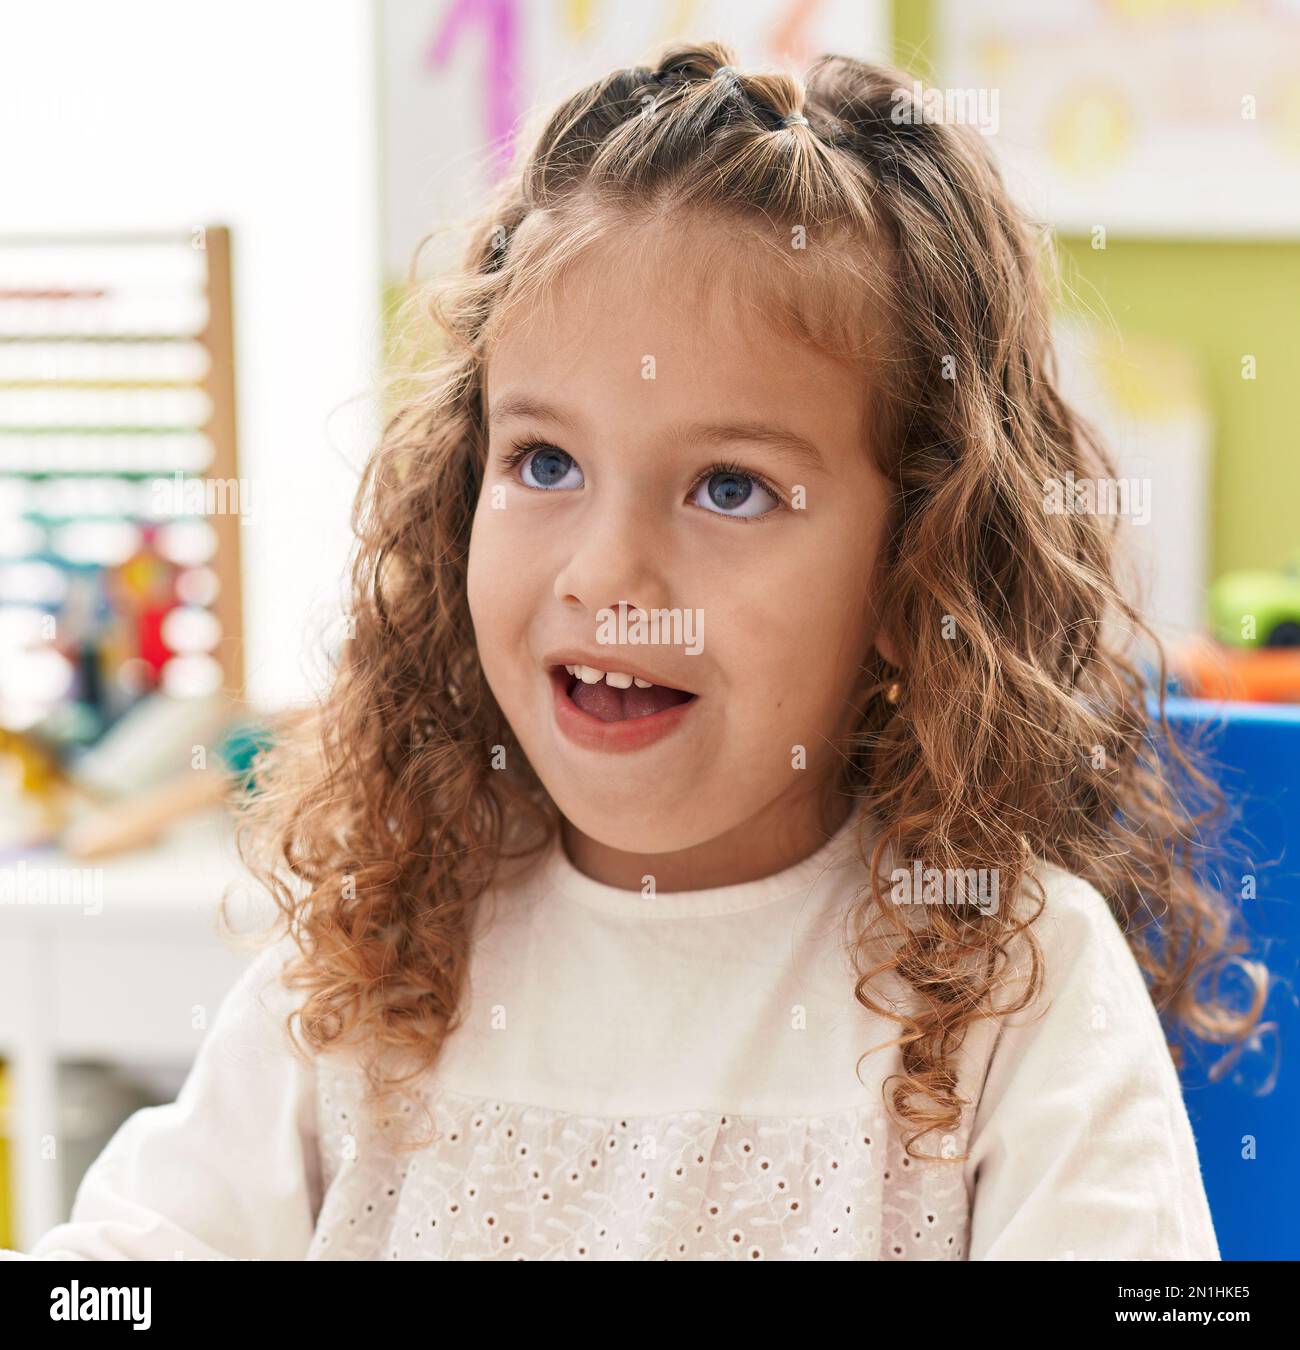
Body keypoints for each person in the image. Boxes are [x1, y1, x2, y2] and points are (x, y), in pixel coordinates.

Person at [4, 39, 1265, 1261]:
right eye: (543, 463)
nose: (605, 574)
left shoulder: (1016, 988)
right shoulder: (377, 948)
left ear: (912, 566)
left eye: (730, 488)